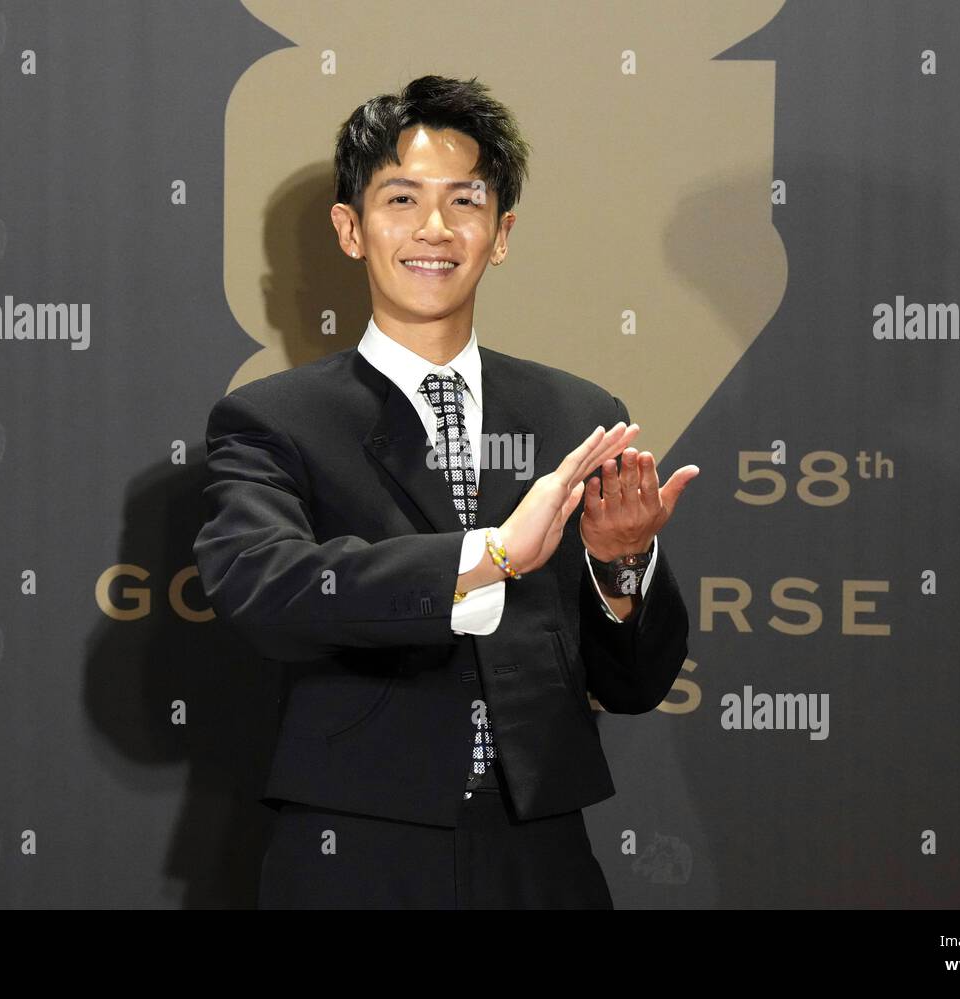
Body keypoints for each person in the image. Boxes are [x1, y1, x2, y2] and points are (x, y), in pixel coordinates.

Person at [193, 74, 699, 909]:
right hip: (355, 844)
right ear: (350, 229)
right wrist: (491, 555)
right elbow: (265, 587)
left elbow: (638, 685)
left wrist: (620, 562)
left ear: (501, 234)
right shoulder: (274, 419)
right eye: (402, 199)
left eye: (466, 201)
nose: (435, 227)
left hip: (540, 851)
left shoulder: (578, 416)